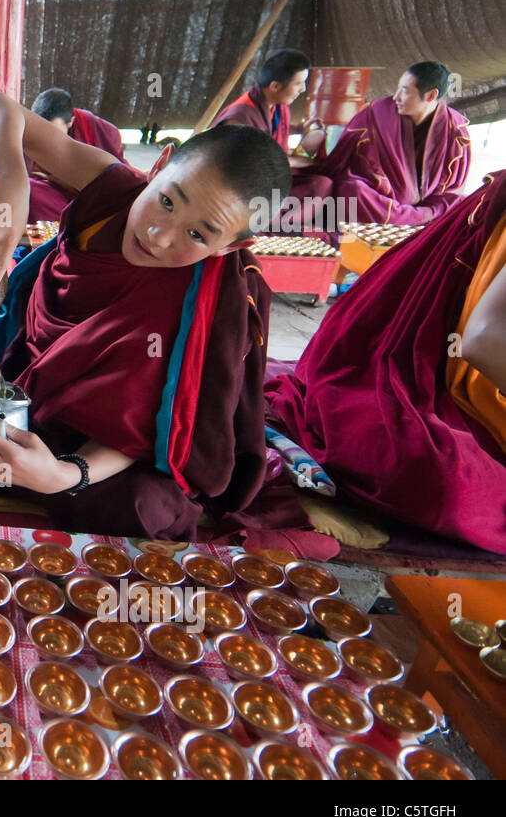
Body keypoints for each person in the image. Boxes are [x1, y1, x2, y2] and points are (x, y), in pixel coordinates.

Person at [0, 94, 290, 540]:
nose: (159, 234)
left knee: (141, 510)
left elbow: (153, 427)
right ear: (159, 166)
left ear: (228, 248)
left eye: (197, 234)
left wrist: (63, 474)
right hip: (8, 366)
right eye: (168, 201)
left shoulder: (211, 305)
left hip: (81, 445)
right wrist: (9, 184)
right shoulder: (113, 189)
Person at [266, 171, 506, 554]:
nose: (396, 103)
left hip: (460, 367)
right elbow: (484, 340)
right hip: (408, 367)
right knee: (446, 484)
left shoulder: (449, 130)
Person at [292, 61, 471, 229]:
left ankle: (412, 217)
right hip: (381, 200)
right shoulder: (378, 112)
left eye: (405, 91)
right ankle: (417, 218)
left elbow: (453, 188)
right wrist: (315, 149)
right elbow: (339, 160)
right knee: (352, 190)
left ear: (431, 95)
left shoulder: (455, 130)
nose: (396, 97)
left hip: (420, 206)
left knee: (460, 203)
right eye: (398, 88)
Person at [27, 87, 125, 222]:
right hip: (54, 196)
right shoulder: (27, 127)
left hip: (93, 196)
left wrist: (67, 181)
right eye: (41, 132)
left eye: (53, 133)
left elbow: (116, 178)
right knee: (30, 191)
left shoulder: (98, 130)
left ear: (71, 122)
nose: (46, 140)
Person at [212, 48, 322, 165]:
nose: (303, 89)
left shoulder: (277, 105)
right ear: (275, 86)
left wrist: (300, 129)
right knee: (320, 181)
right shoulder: (239, 117)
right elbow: (245, 162)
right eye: (298, 84)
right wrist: (294, 162)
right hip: (240, 179)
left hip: (272, 172)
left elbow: (271, 129)